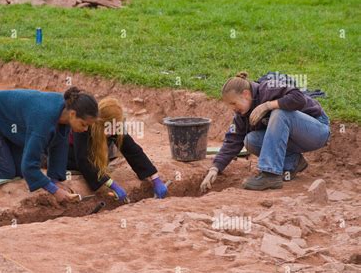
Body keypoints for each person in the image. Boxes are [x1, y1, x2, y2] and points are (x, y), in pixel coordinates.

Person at [200, 71, 330, 192]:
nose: (233, 109)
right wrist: (215, 168)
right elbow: (233, 140)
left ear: (246, 94)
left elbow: (299, 98)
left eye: (234, 103)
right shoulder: (242, 115)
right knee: (250, 140)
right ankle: (292, 162)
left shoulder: (268, 89)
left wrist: (268, 105)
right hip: (295, 139)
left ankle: (270, 175)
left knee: (280, 113)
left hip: (317, 130)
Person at [67, 97, 168, 201]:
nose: (113, 132)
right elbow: (82, 159)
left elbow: (132, 150)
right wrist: (111, 184)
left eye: (116, 127)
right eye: (109, 127)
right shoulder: (84, 125)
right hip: (70, 154)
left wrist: (155, 178)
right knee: (82, 164)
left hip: (89, 154)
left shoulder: (114, 127)